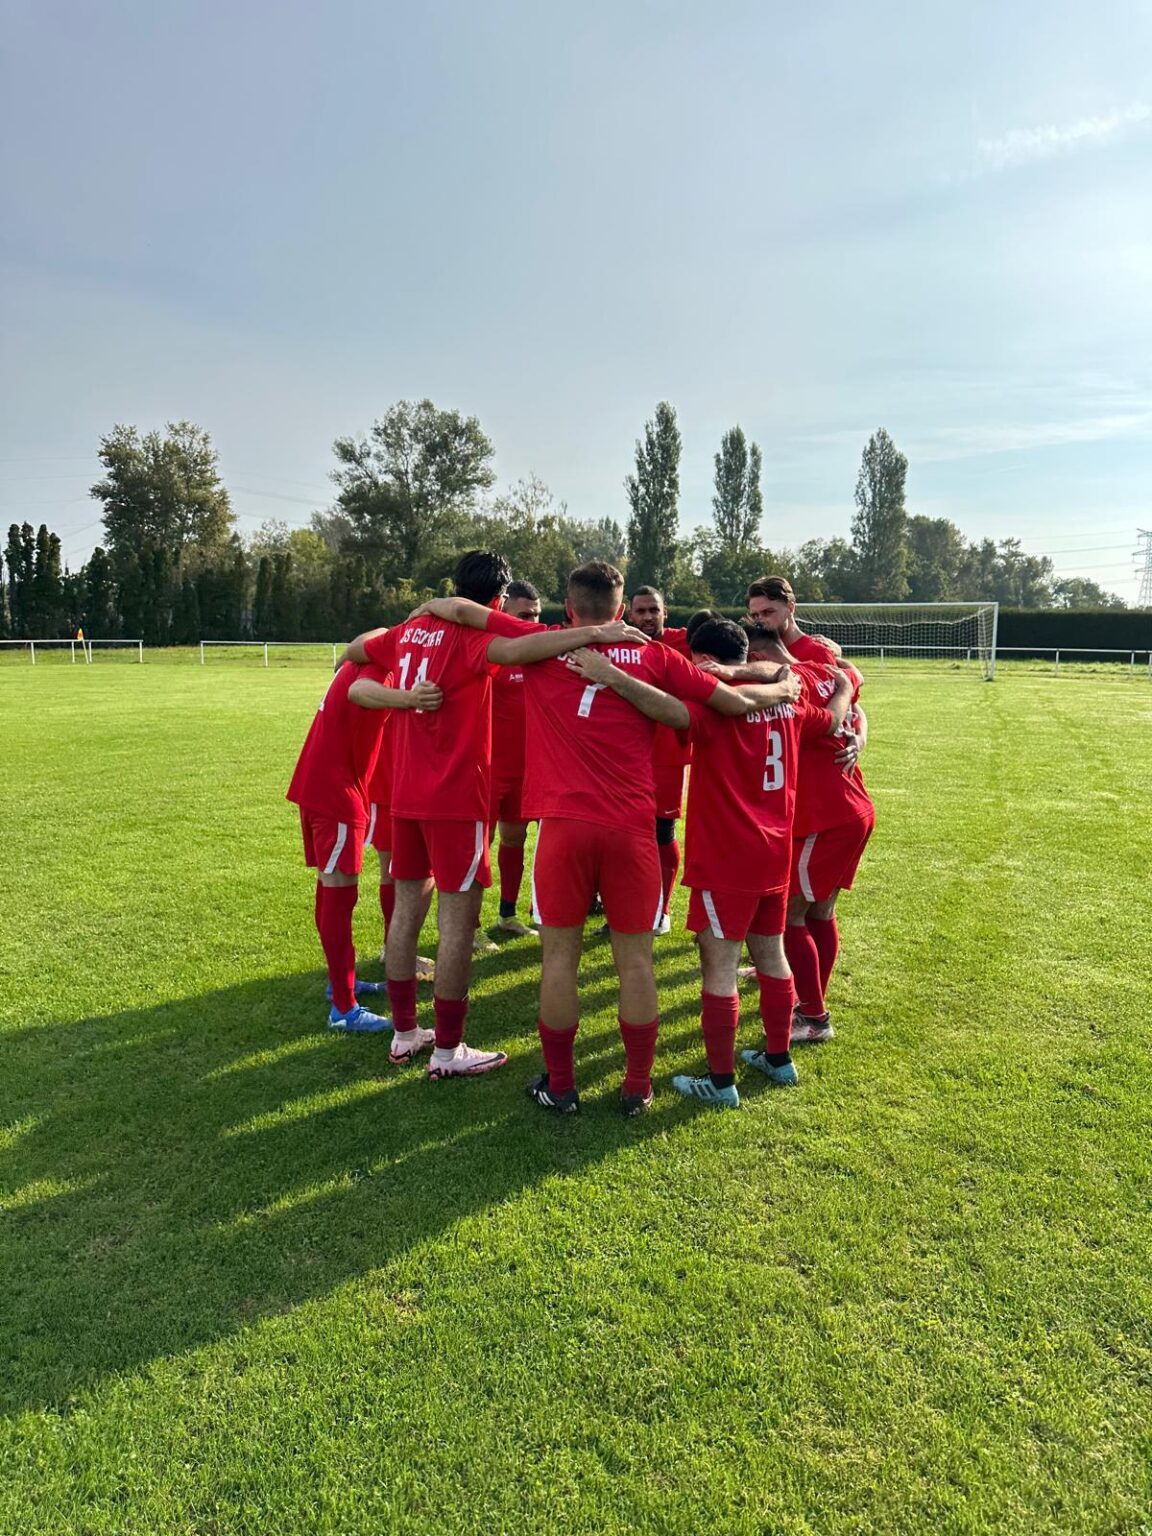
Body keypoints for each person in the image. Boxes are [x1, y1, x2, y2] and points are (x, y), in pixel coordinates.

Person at [455, 560, 803, 1116]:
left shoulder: (544, 645)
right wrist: (784, 682)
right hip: (634, 829)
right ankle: (637, 1086)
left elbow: (470, 617)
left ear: (569, 607)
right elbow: (728, 700)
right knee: (635, 961)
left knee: (559, 961)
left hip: (563, 830)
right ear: (621, 610)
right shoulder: (655, 655)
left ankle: (562, 1086)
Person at [343, 551, 650, 1080]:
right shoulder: (472, 637)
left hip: (405, 791)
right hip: (455, 798)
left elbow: (351, 653)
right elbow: (522, 646)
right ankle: (447, 1050)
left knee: (405, 909)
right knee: (457, 921)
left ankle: (403, 1031)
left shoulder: (411, 628)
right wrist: (594, 635)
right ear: (498, 598)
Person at [572, 617, 850, 1107]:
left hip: (729, 856)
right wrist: (846, 685)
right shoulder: (789, 698)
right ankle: (779, 1059)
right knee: (771, 954)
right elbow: (832, 719)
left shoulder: (714, 704)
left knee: (719, 967)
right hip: (775, 850)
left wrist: (611, 676)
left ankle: (721, 1083)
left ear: (702, 660)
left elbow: (669, 710)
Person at [726, 627, 875, 1043]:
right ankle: (809, 1003)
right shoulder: (822, 670)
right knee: (819, 913)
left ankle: (812, 1016)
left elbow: (836, 717)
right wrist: (846, 683)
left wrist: (722, 670)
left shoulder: (792, 685)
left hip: (825, 817)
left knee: (789, 916)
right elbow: (850, 684)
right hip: (850, 808)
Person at [285, 657, 441, 1039]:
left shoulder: (368, 654)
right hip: (337, 791)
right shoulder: (381, 663)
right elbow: (360, 692)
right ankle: (343, 1007)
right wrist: (407, 697)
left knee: (331, 889)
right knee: (339, 893)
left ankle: (343, 984)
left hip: (324, 783)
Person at [627, 586, 691, 932]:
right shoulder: (620, 642)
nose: (648, 617)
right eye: (641, 611)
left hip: (668, 754)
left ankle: (661, 911)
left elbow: (738, 642)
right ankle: (623, 904)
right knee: (626, 832)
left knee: (661, 830)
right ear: (629, 614)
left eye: (654, 610)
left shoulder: (687, 641)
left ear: (665, 613)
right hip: (624, 754)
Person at [485, 579, 542, 946]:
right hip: (488, 768)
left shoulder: (539, 655)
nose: (532, 622)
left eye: (536, 615)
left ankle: (507, 914)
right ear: (502, 613)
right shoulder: (490, 653)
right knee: (479, 846)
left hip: (525, 771)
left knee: (515, 840)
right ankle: (468, 925)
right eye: (523, 615)